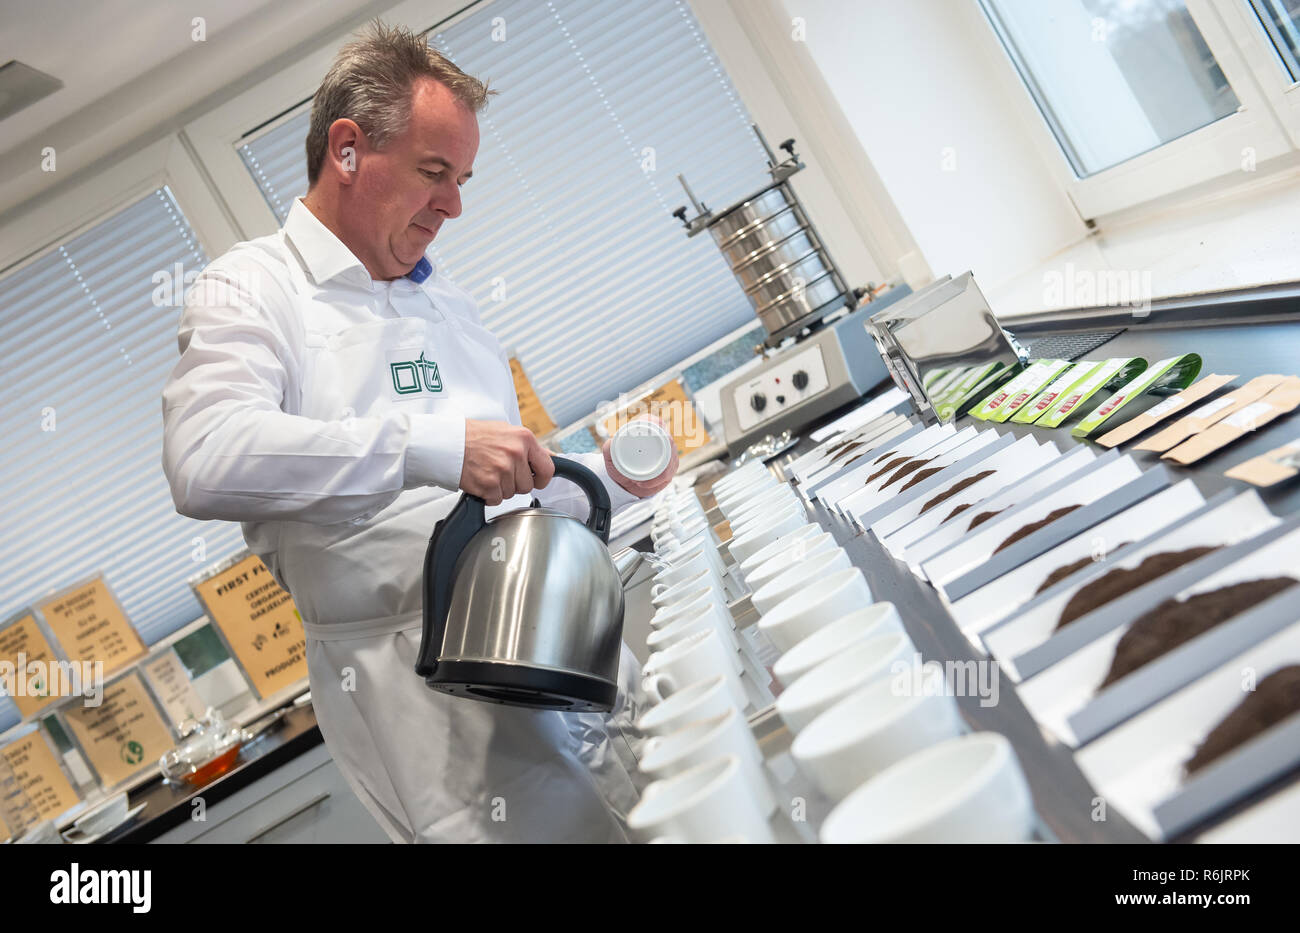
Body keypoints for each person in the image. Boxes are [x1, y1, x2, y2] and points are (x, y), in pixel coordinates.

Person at [161, 21, 677, 843]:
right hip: (417, 689)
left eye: (462, 177)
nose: (455, 203)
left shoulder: (447, 305)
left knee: (684, 818)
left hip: (554, 642)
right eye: (434, 172)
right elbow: (204, 458)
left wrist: (605, 480)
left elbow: (498, 494)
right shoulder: (251, 289)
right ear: (348, 150)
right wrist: (433, 447)